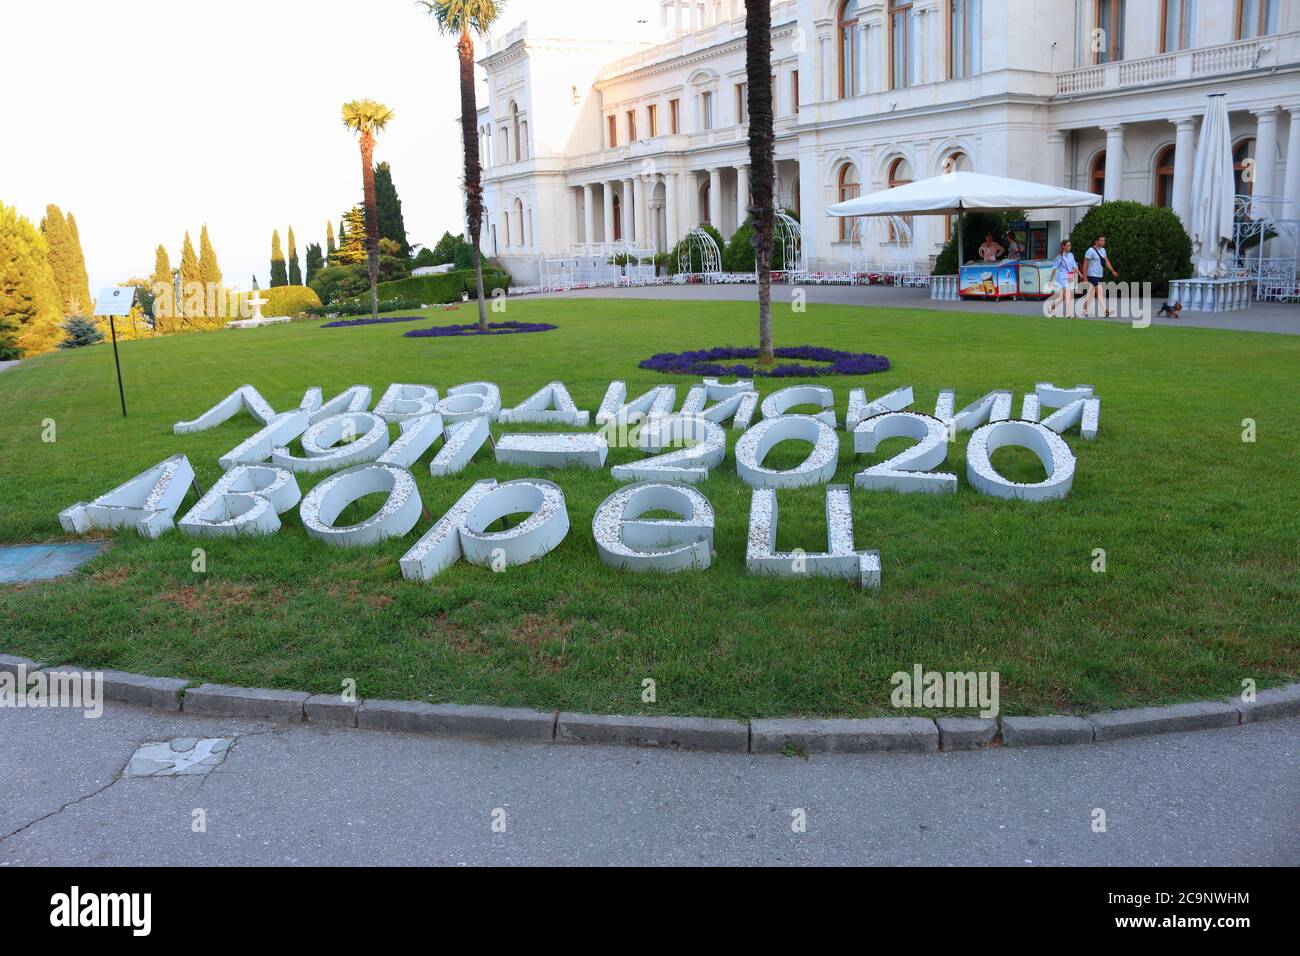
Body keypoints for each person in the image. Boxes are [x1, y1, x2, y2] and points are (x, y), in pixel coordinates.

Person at [1080, 234, 1120, 317]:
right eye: (1101, 240)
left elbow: (1106, 261)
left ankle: (1085, 309)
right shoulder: (1090, 251)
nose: (1103, 242)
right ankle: (1105, 310)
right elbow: (1085, 263)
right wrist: (1085, 277)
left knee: (1091, 293)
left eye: (1104, 240)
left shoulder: (1103, 250)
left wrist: (1112, 270)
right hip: (1092, 274)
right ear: (1096, 241)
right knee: (1099, 291)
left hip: (1099, 274)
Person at [1051, 239, 1078, 317]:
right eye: (1068, 245)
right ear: (1063, 246)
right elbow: (1054, 268)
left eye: (1070, 245)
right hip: (1062, 277)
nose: (1070, 247)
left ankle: (1053, 305)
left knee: (1063, 297)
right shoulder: (1060, 257)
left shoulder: (1071, 255)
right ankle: (1069, 314)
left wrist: (1080, 273)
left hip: (1069, 275)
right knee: (1068, 294)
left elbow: (1074, 266)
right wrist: (1050, 279)